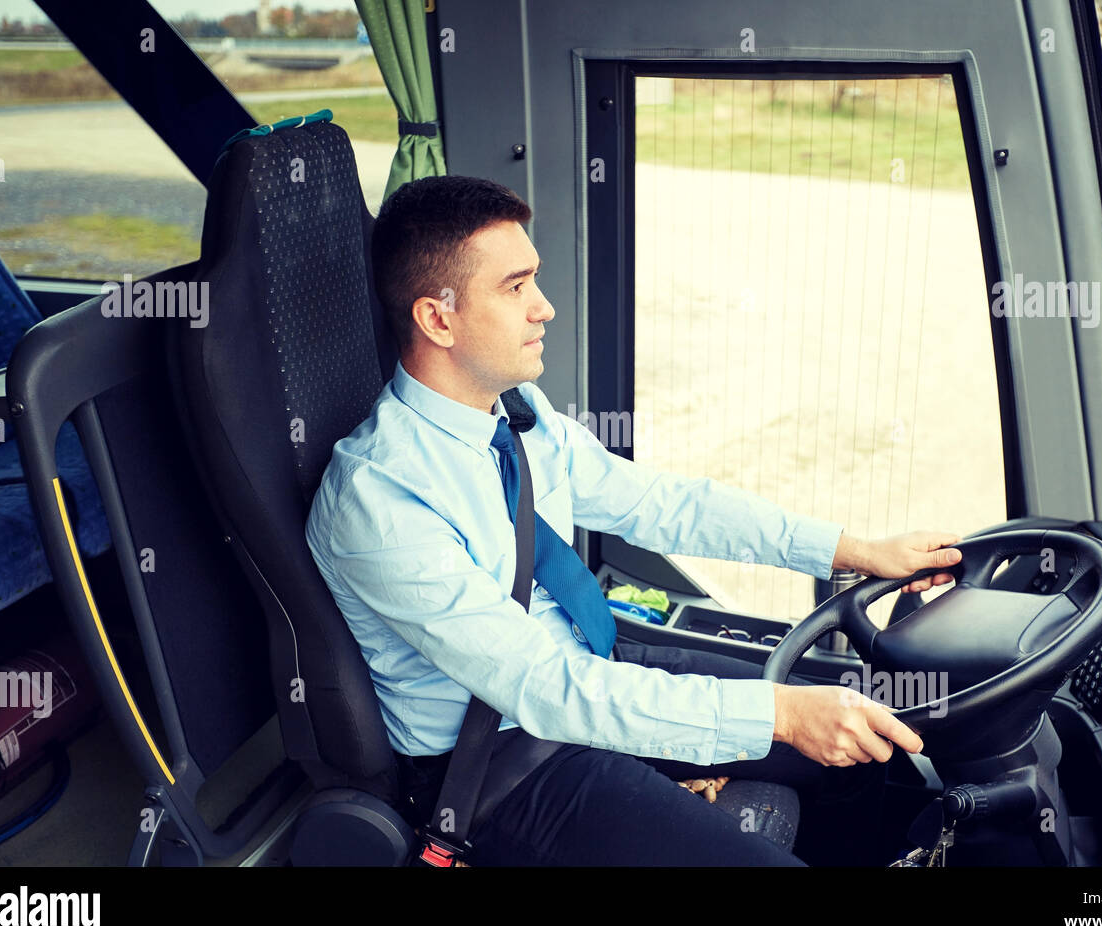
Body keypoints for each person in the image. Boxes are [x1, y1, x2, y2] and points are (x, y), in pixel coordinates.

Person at [304, 175, 963, 866]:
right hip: (500, 762)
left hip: (592, 661)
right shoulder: (379, 499)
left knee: (866, 751)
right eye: (515, 287)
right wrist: (780, 717)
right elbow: (542, 689)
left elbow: (658, 503)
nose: (545, 308)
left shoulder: (515, 410)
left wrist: (853, 550)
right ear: (438, 319)